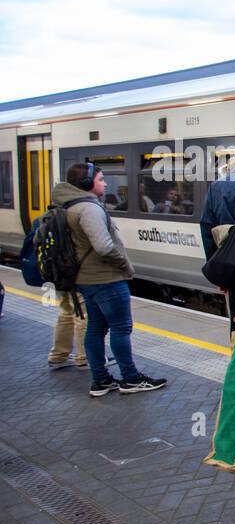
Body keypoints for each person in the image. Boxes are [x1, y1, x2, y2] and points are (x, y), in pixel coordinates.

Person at [54, 163, 167, 396]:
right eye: (101, 179)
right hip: (106, 279)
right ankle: (131, 378)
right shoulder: (89, 209)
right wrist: (125, 265)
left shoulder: (69, 206)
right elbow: (104, 247)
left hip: (86, 279)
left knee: (95, 329)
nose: (106, 183)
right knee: (121, 328)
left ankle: (101, 380)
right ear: (87, 183)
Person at [47, 291, 87, 370]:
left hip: (58, 281)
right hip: (77, 282)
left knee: (66, 312)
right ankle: (85, 357)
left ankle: (58, 356)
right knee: (82, 315)